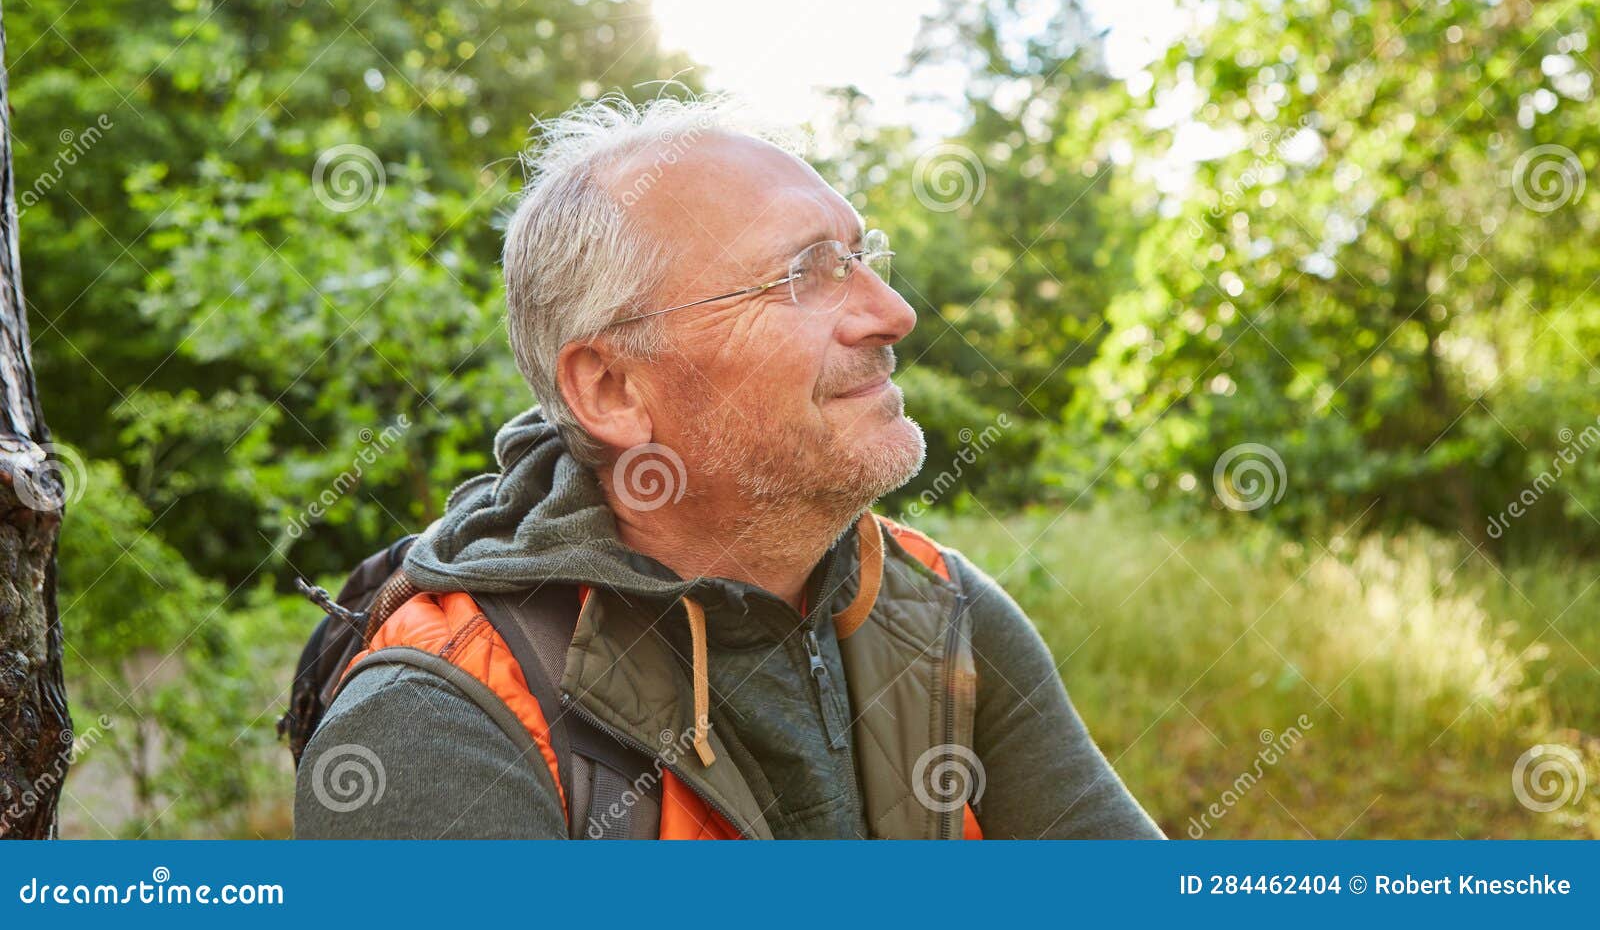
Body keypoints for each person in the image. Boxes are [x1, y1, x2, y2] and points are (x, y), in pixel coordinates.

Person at [293, 94, 1161, 839]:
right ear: (612, 387)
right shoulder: (438, 727)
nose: (892, 313)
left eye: (864, 257)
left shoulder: (934, 604)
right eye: (804, 275)